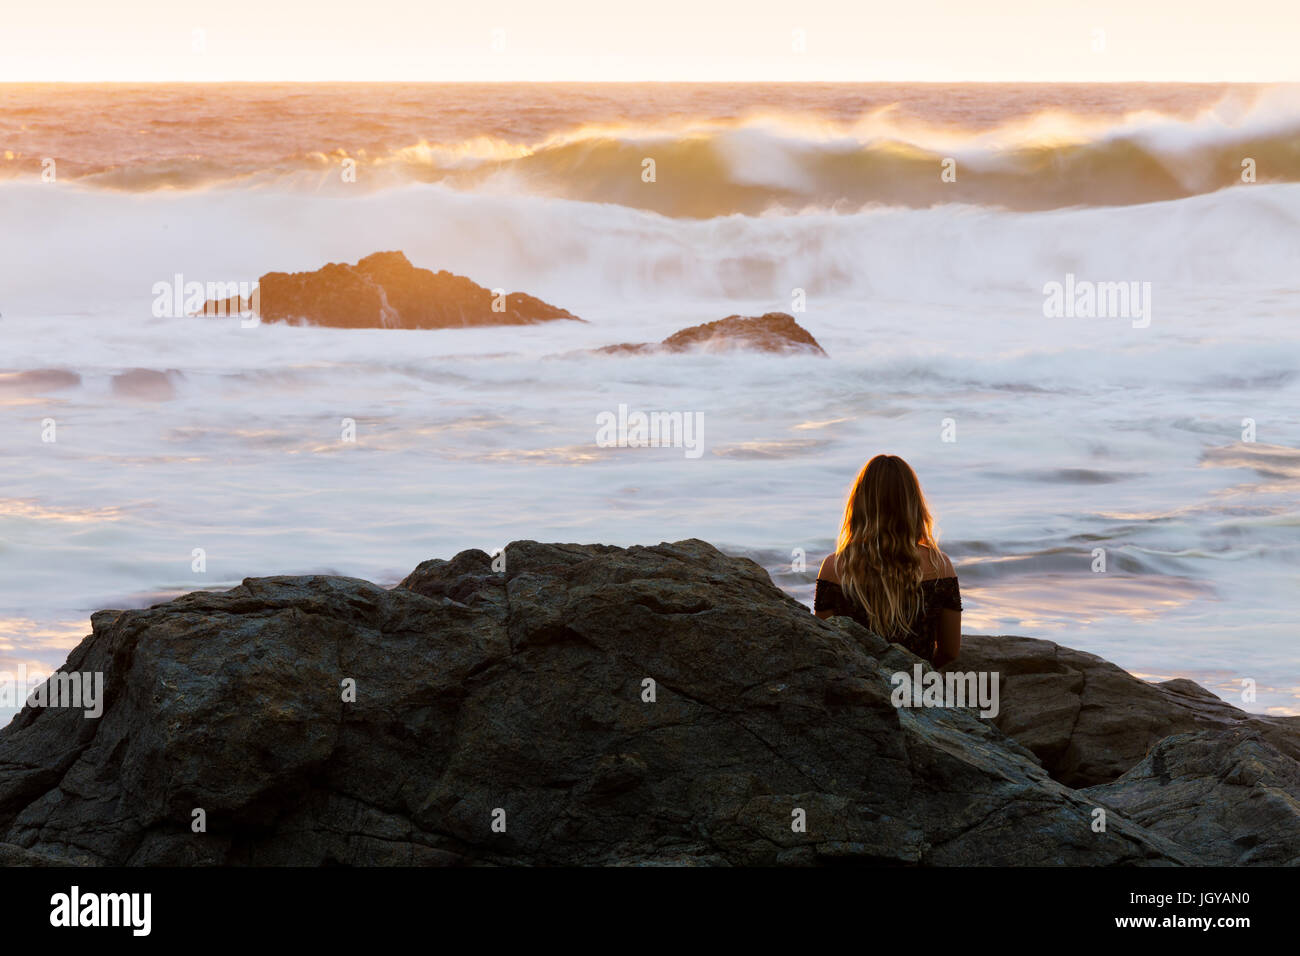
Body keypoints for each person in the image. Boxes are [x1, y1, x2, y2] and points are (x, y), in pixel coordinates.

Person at [814, 454, 962, 666]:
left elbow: (825, 647)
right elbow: (950, 651)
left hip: (858, 686)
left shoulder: (835, 567)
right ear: (913, 503)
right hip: (914, 689)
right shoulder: (940, 565)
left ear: (859, 502)